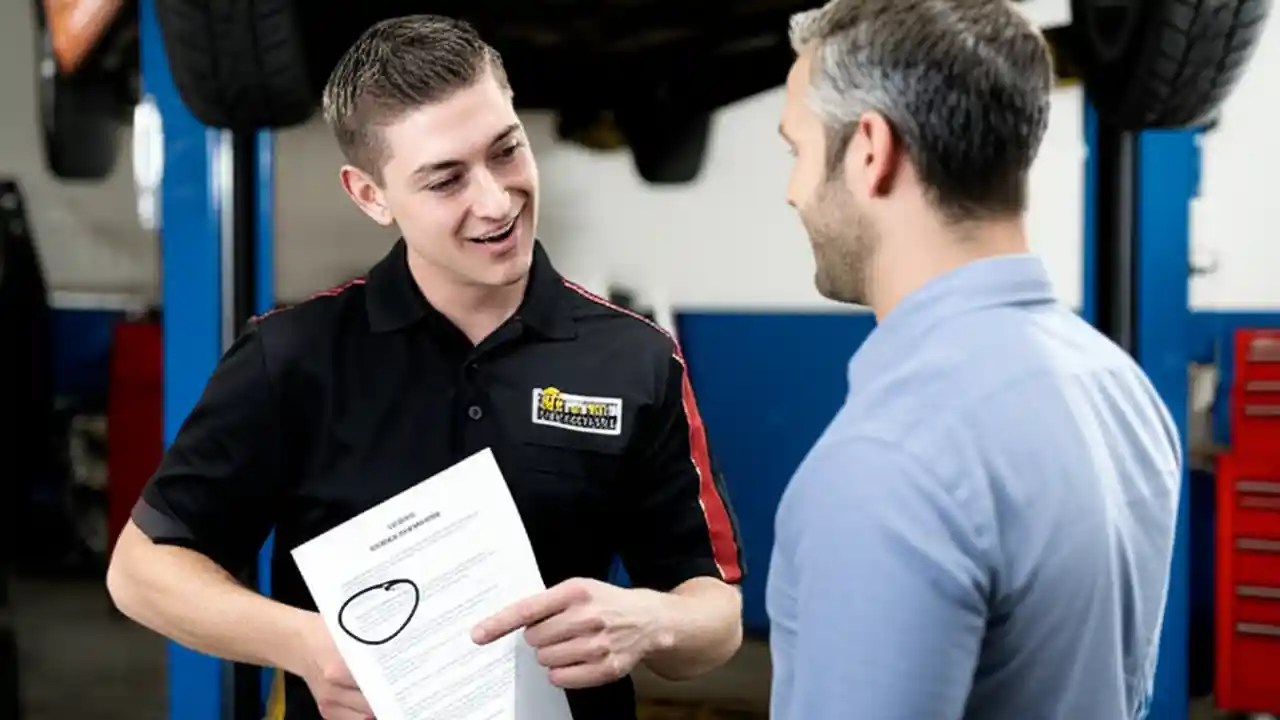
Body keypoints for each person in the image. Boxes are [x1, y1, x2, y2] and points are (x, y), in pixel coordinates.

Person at [105, 15, 745, 720]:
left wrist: (649, 622)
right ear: (370, 194)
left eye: (506, 152)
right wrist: (307, 645)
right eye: (446, 181)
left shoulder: (636, 359)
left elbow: (715, 617)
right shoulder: (292, 356)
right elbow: (141, 571)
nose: (496, 202)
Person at [767, 1, 1182, 718]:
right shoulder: (1119, 388)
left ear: (871, 150)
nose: (793, 191)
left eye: (797, 150)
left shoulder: (890, 459)